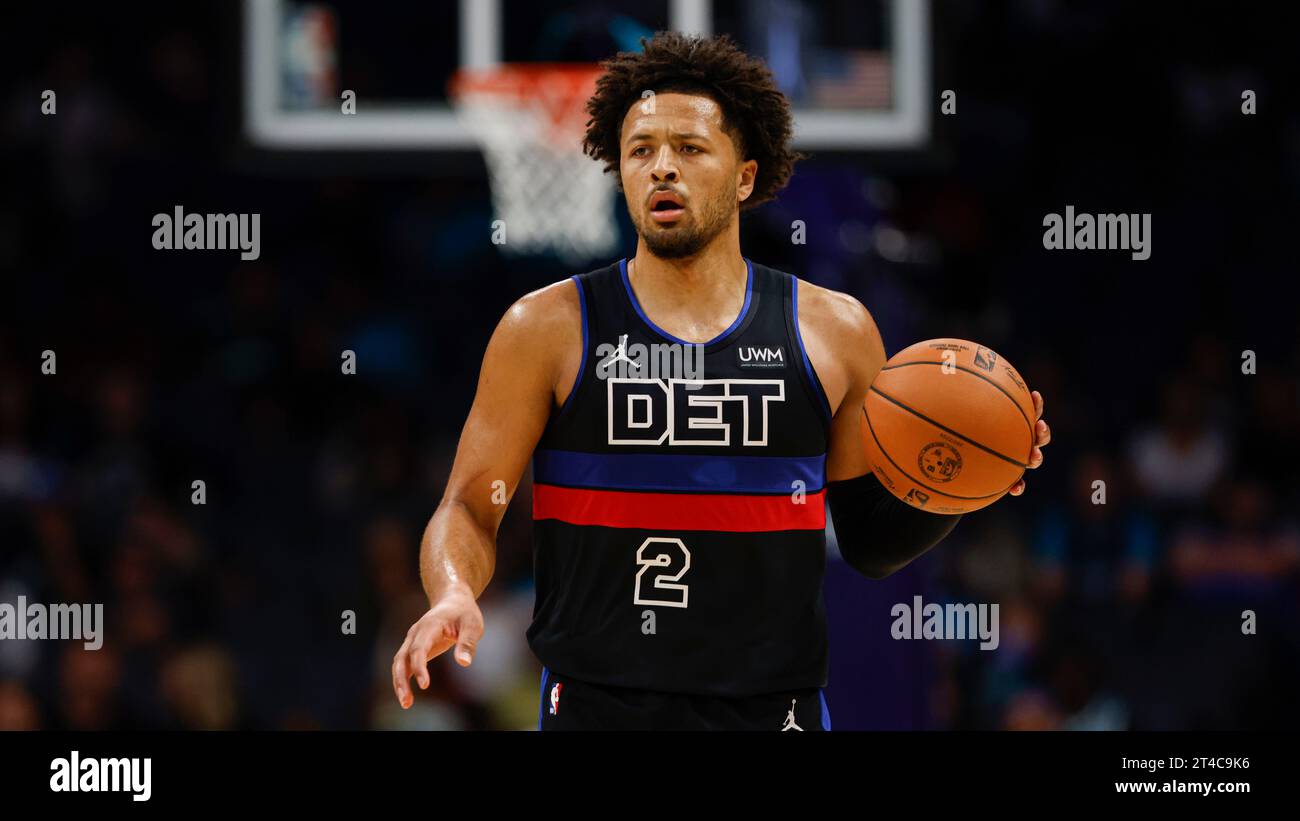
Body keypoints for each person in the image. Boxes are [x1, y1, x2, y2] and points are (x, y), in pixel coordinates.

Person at [391, 32, 1050, 730]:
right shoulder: (546, 327)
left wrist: (956, 478)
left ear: (744, 176)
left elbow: (870, 542)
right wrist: (454, 592)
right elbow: (467, 506)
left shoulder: (834, 331)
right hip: (597, 707)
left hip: (773, 713)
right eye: (641, 149)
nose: (661, 168)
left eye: (690, 148)